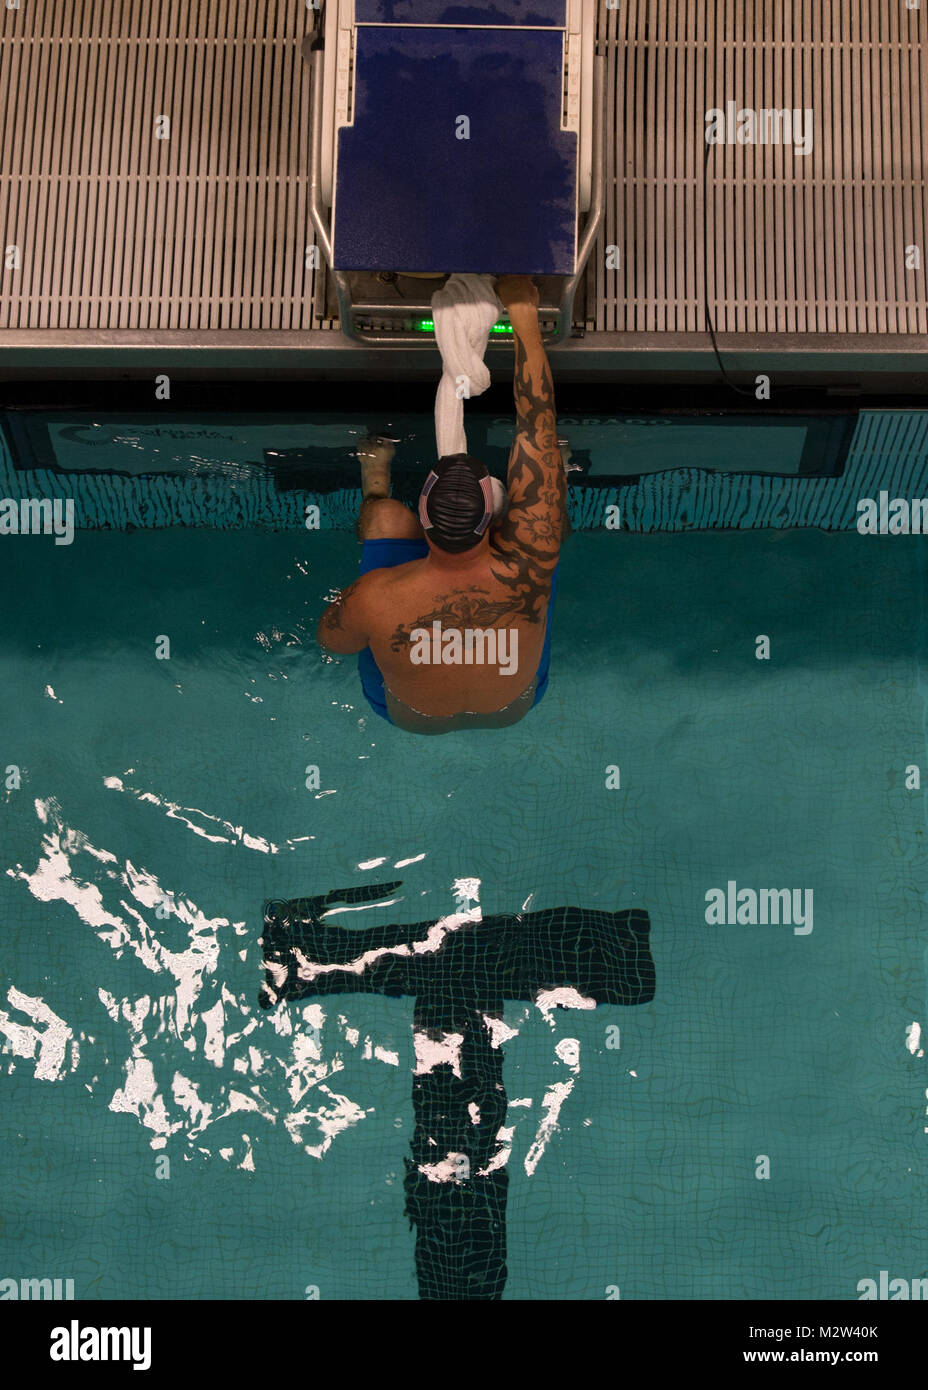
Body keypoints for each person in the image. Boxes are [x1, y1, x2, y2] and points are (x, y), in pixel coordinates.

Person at [317, 274, 567, 734]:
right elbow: (538, 427)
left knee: (385, 516)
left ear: (425, 519)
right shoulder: (531, 561)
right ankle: (550, 481)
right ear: (489, 514)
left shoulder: (375, 597)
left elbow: (333, 640)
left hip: (412, 716)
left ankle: (375, 480)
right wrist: (524, 314)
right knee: (544, 510)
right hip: (513, 704)